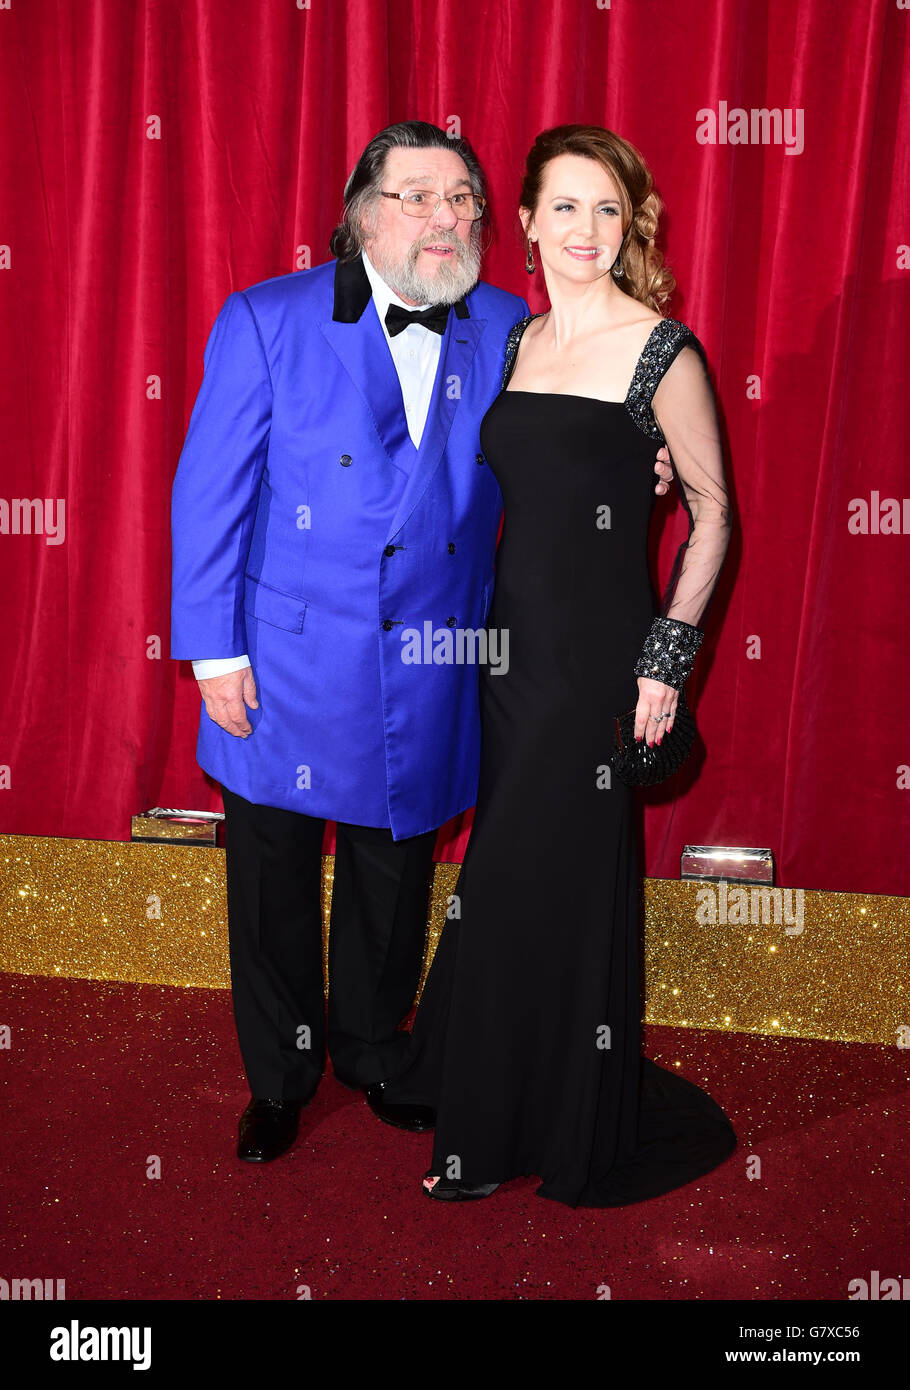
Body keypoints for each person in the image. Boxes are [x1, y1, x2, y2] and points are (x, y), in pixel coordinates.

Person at [170, 121, 675, 1165]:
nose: (443, 218)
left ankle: (365, 1047)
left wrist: (641, 471)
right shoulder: (265, 318)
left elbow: (566, 442)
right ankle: (279, 1078)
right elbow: (208, 495)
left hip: (435, 660)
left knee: (392, 871)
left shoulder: (506, 324)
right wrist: (213, 651)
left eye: (463, 201)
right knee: (269, 878)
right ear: (361, 210)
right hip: (283, 662)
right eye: (416, 196)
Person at [383, 124, 738, 1206]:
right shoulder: (513, 344)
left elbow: (715, 512)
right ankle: (491, 1075)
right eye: (565, 206)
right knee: (504, 876)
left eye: (607, 209)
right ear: (525, 222)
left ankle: (498, 1130)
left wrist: (663, 664)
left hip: (596, 664)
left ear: (627, 227)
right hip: (509, 651)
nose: (586, 229)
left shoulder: (660, 348)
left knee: (540, 876)